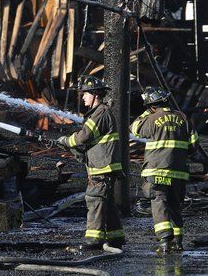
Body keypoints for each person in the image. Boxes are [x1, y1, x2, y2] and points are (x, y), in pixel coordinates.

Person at [57, 75, 124, 250]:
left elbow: (84, 136)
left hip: (102, 166)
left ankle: (94, 239)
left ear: (95, 94)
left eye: (85, 93)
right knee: (107, 203)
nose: (83, 97)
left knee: (94, 199)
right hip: (103, 165)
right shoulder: (101, 112)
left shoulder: (100, 112)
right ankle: (116, 237)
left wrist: (67, 140)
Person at [131, 86, 199, 253]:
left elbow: (134, 129)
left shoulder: (152, 118)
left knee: (159, 202)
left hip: (157, 171)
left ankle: (164, 241)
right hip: (178, 173)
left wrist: (147, 112)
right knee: (175, 204)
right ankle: (178, 241)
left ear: (151, 105)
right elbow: (194, 145)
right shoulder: (182, 117)